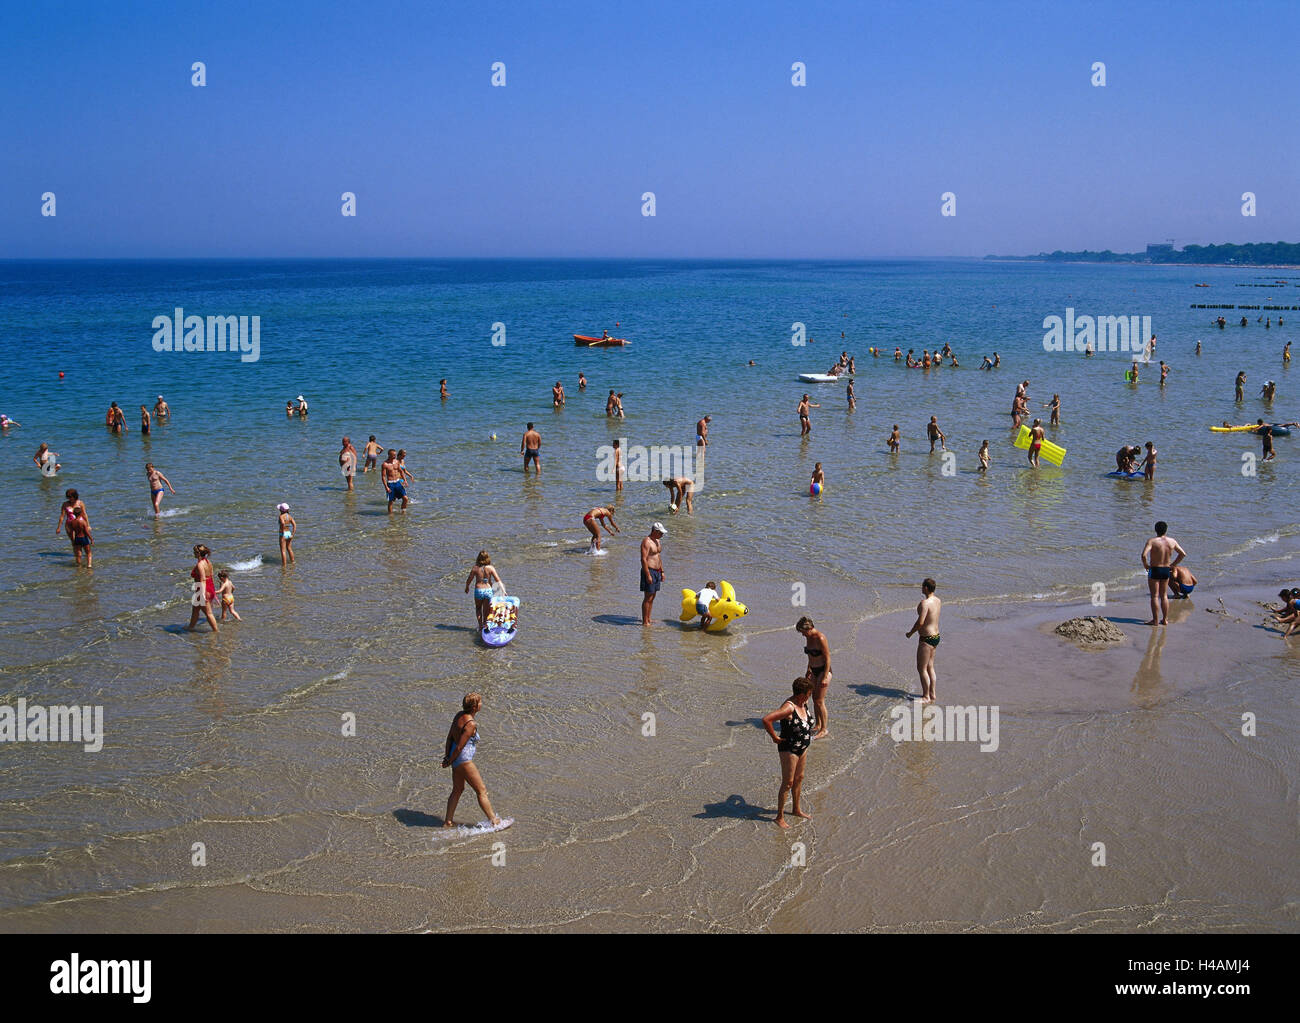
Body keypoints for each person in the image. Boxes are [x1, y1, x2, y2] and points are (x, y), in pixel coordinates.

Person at [441, 693, 502, 829]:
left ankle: (448, 822)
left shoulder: (458, 715)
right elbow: (459, 747)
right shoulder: (471, 724)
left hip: (455, 759)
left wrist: (447, 757)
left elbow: (450, 738)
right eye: (480, 702)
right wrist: (450, 760)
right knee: (481, 791)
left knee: (457, 789)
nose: (482, 704)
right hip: (463, 760)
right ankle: (494, 821)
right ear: (475, 707)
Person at [762, 678, 816, 829]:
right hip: (789, 749)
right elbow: (767, 720)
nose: (810, 697)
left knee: (799, 778)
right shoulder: (789, 707)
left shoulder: (803, 703)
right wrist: (775, 737)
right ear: (801, 694)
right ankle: (779, 817)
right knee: (788, 782)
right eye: (808, 694)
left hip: (803, 747)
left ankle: (796, 809)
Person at [1141, 521, 1186, 626]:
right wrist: (1173, 564)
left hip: (1155, 569)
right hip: (1166, 569)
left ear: (1155, 530)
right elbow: (1183, 554)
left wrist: (1146, 565)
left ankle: (1155, 620)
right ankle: (1165, 620)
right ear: (1166, 530)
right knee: (1164, 595)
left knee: (1154, 596)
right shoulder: (1172, 541)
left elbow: (1143, 555)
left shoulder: (1152, 541)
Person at [904, 578, 941, 704]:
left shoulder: (925, 603)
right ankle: (932, 694)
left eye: (922, 586)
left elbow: (920, 622)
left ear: (926, 588)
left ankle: (926, 697)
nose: (921, 588)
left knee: (921, 668)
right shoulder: (938, 600)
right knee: (930, 666)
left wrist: (910, 633)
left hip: (927, 638)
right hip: (936, 636)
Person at [796, 617, 831, 739]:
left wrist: (825, 677)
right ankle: (817, 724)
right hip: (813, 670)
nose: (802, 635)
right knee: (814, 698)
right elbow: (811, 656)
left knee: (819, 700)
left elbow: (827, 658)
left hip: (823, 670)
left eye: (803, 632)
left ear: (809, 628)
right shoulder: (809, 638)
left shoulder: (820, 638)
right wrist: (808, 669)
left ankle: (824, 729)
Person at [465, 551, 505, 630]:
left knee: (478, 608)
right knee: (486, 610)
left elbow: (469, 579)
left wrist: (467, 587)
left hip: (479, 590)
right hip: (488, 590)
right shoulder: (490, 568)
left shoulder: (475, 568)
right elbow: (498, 580)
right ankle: (485, 625)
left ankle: (480, 626)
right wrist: (503, 591)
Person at [187, 544, 219, 632]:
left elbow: (202, 579)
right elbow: (211, 577)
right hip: (208, 587)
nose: (193, 553)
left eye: (194, 552)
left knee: (208, 613)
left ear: (198, 553)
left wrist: (202, 594)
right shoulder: (208, 562)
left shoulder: (200, 565)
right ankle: (191, 627)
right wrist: (213, 592)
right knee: (195, 609)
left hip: (201, 589)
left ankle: (216, 631)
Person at [639, 522, 666, 626]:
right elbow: (643, 559)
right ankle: (645, 621)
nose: (662, 535)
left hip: (657, 571)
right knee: (648, 597)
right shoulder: (646, 542)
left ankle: (648, 618)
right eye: (660, 533)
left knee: (653, 596)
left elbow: (658, 557)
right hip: (649, 570)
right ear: (655, 531)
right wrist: (648, 575)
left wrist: (662, 571)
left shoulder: (658, 541)